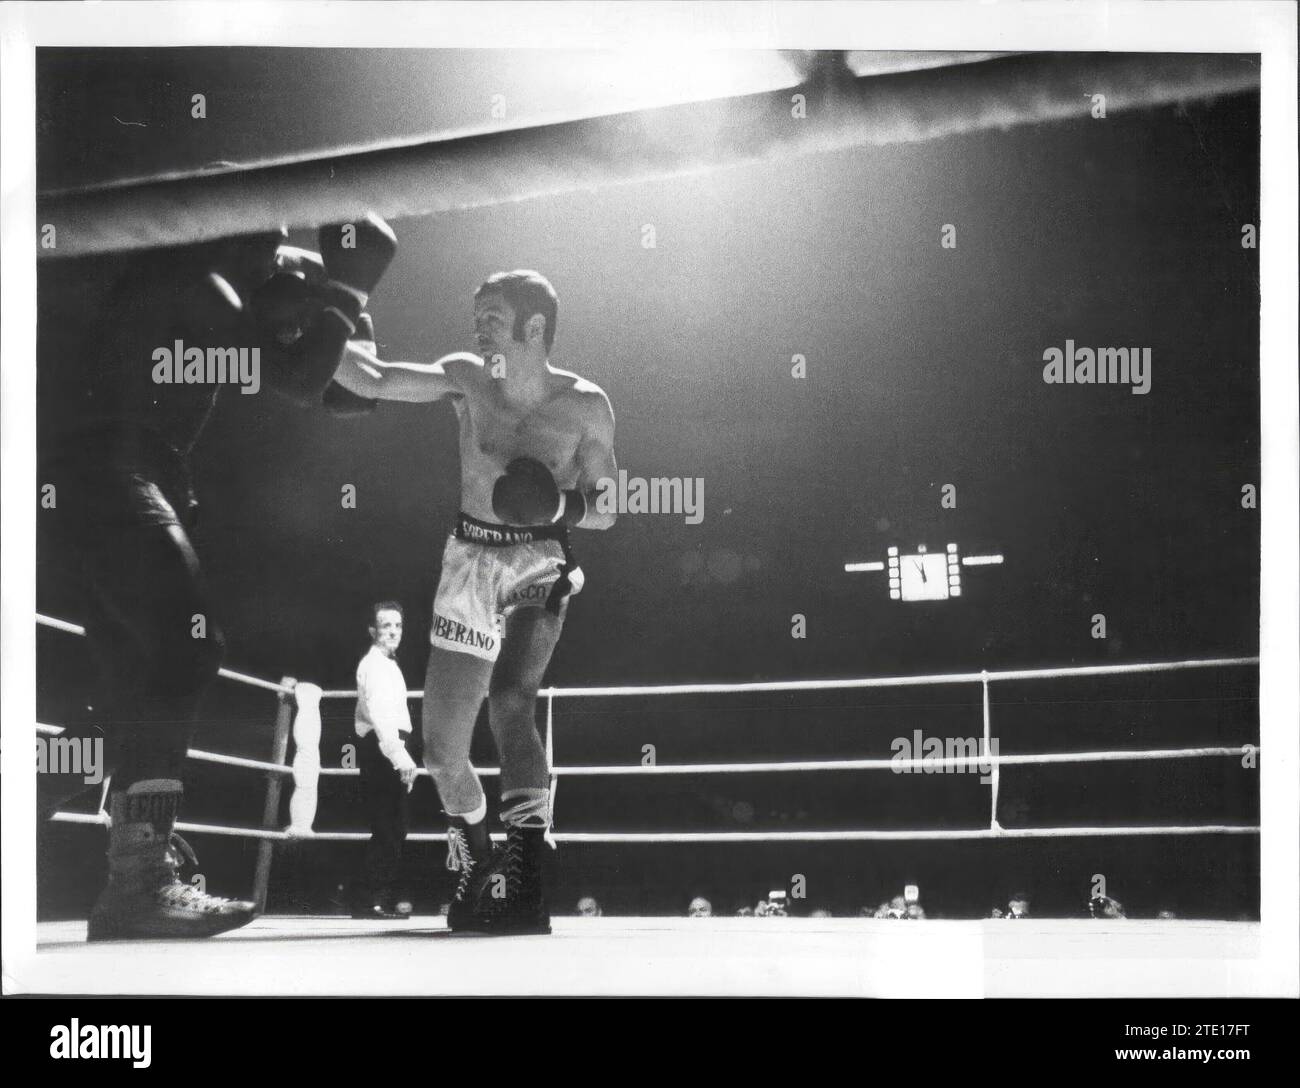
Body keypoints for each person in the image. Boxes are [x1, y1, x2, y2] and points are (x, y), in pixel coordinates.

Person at [38, 215, 398, 940]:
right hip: (113, 472)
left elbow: (343, 393)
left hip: (107, 476)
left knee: (130, 695)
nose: (278, 255)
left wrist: (333, 305)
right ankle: (140, 880)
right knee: (185, 648)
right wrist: (350, 287)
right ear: (231, 232)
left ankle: (82, 842)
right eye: (269, 240)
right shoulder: (197, 284)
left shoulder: (209, 297)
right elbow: (300, 377)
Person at [332, 269, 617, 935]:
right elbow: (373, 378)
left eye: (492, 315)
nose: (478, 326)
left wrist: (558, 503)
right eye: (477, 314)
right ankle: (478, 856)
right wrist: (321, 322)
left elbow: (609, 507)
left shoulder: (586, 406)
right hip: (468, 563)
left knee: (512, 698)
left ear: (533, 328)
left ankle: (525, 875)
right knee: (440, 755)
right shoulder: (465, 377)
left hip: (539, 558)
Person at [353, 601, 420, 919]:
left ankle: (372, 899)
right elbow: (380, 715)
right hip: (382, 748)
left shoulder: (387, 664)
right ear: (372, 631)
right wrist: (399, 754)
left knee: (393, 827)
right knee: (388, 827)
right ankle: (368, 901)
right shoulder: (375, 666)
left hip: (386, 746)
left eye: (398, 625)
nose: (393, 631)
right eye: (385, 626)